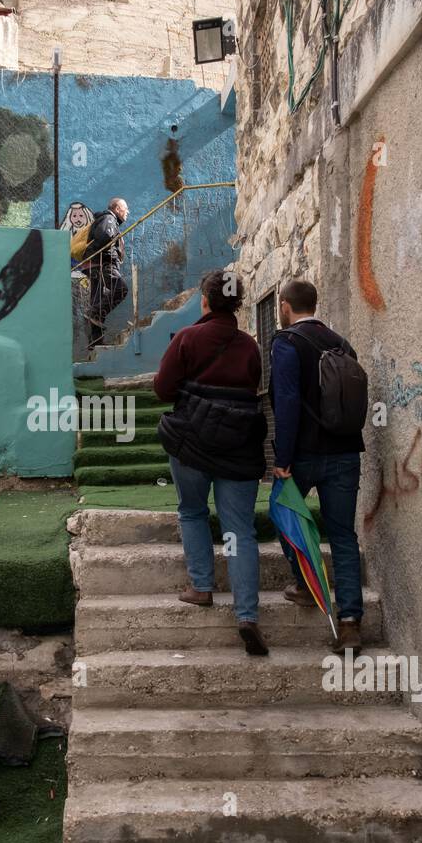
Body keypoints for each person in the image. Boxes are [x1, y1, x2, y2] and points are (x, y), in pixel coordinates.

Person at [154, 269, 269, 656]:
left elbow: (162, 389)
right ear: (236, 304)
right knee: (240, 529)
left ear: (205, 301)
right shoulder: (249, 346)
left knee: (192, 511)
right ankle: (247, 615)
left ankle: (201, 587)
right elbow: (253, 386)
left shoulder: (188, 338)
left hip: (192, 442)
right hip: (238, 446)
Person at [269, 278, 366, 651]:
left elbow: (288, 402)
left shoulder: (286, 343)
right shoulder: (342, 343)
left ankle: (307, 585)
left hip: (303, 455)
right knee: (343, 536)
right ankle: (351, 622)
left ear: (284, 306)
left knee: (282, 513)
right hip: (344, 453)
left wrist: (282, 460)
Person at [82, 197, 129, 349]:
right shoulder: (109, 218)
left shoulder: (105, 219)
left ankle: (95, 344)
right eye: (125, 208)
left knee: (97, 299)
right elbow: (104, 238)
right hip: (103, 263)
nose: (127, 211)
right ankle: (94, 313)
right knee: (121, 289)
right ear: (116, 209)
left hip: (94, 264)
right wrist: (114, 257)